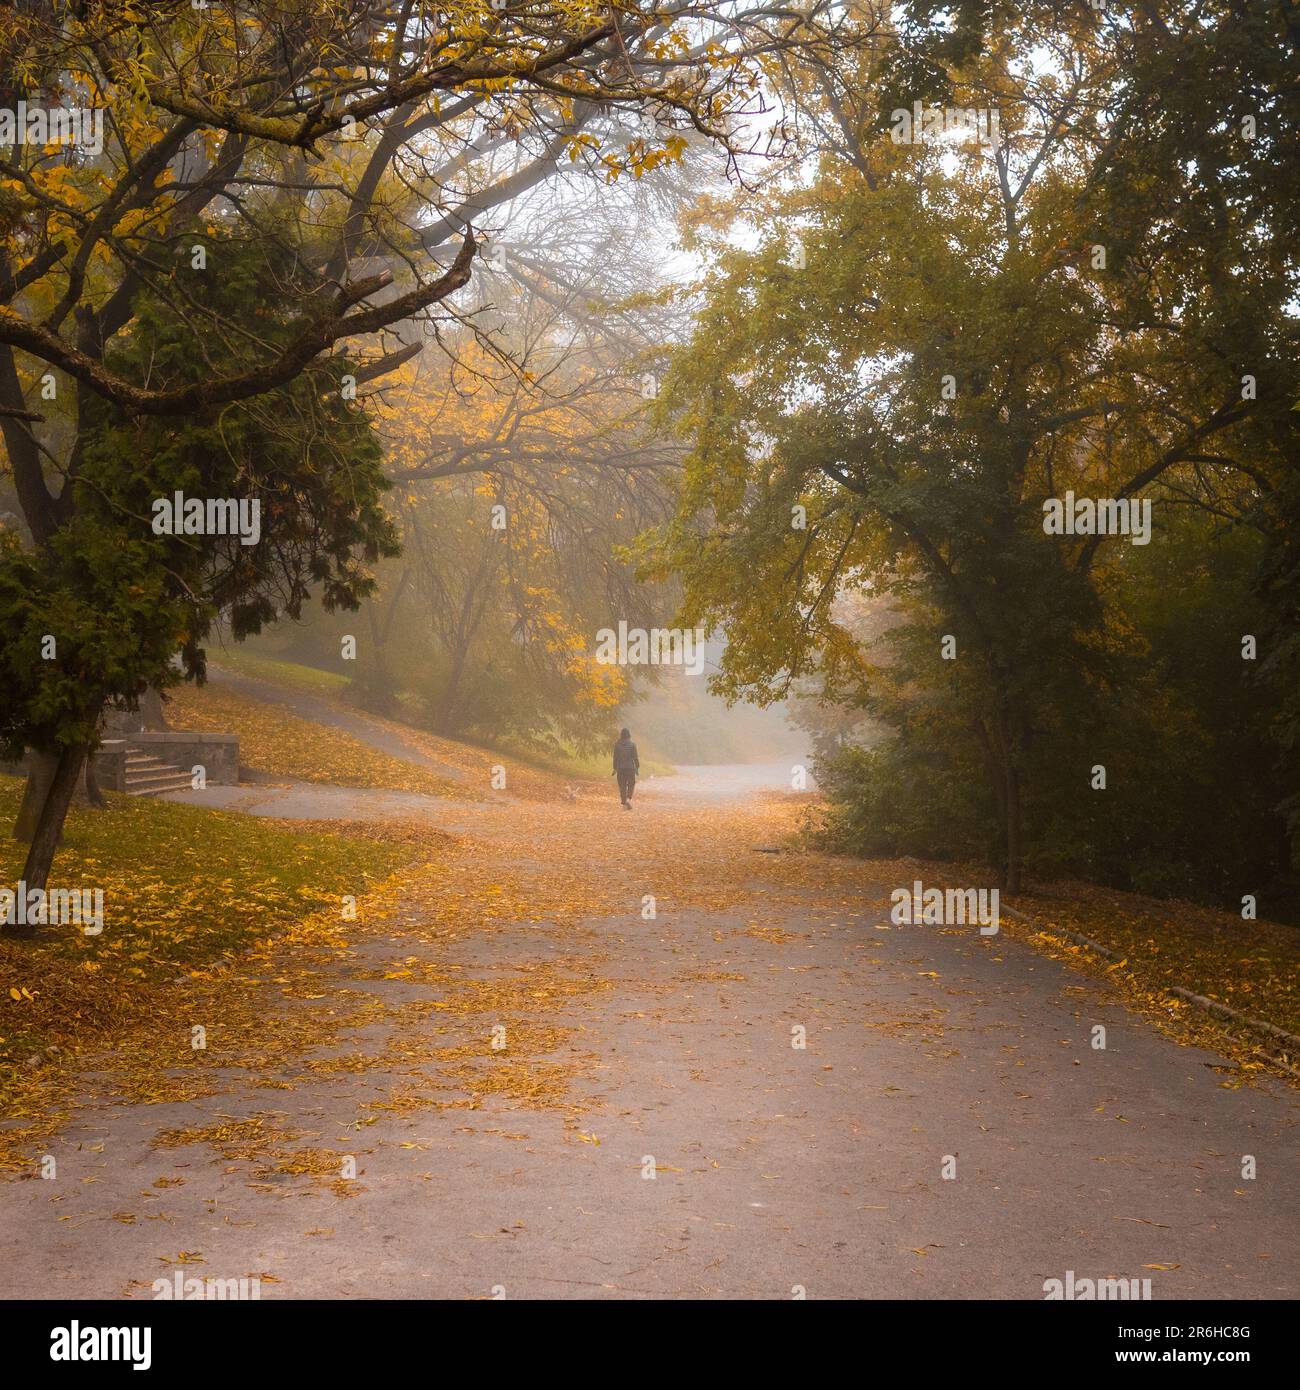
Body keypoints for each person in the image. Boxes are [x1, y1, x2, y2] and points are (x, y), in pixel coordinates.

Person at [612, 727, 639, 809]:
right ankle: (628, 798)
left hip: (620, 768)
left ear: (621, 735)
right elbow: (635, 757)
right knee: (631, 783)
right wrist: (637, 767)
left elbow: (615, 758)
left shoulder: (617, 745)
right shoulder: (632, 745)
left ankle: (624, 802)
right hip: (630, 768)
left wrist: (615, 768)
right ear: (629, 735)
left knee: (622, 785)